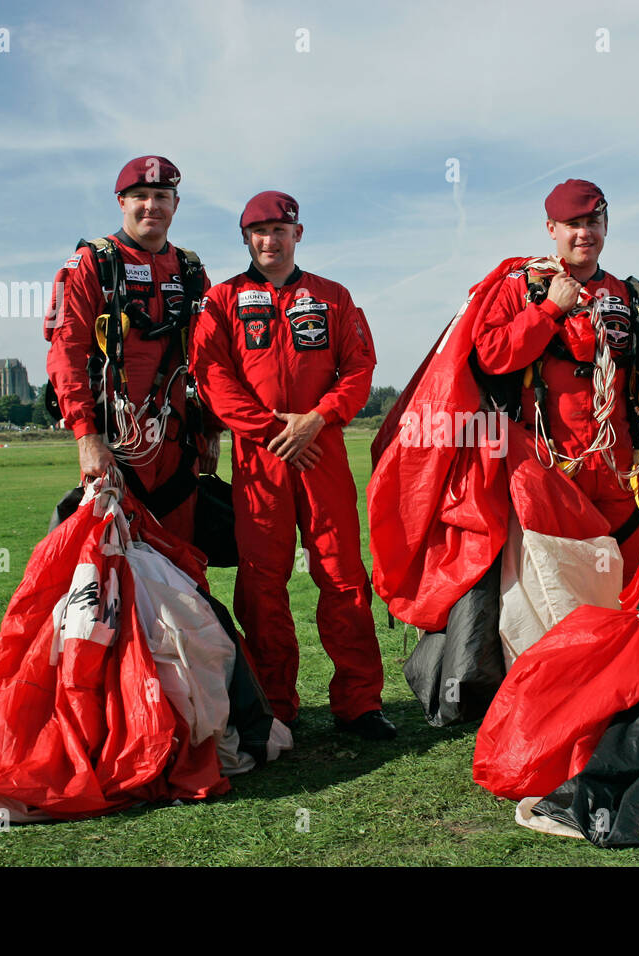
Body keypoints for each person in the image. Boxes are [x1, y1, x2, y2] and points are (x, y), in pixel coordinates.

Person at [190, 191, 394, 740]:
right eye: (258, 232)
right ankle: (275, 703)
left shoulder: (333, 297)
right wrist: (275, 430)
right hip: (261, 462)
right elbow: (211, 376)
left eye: (280, 230)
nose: (269, 240)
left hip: (321, 451)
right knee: (262, 585)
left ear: (297, 234)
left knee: (344, 578)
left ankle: (360, 703)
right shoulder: (221, 300)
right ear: (246, 239)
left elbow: (359, 366)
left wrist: (318, 419)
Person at [472, 179, 639, 583]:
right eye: (572, 223)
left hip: (623, 475)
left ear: (606, 224)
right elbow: (492, 355)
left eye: (593, 221)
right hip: (551, 470)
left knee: (629, 590)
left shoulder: (631, 297)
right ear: (551, 228)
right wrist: (549, 309)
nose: (584, 232)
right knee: (559, 594)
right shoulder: (522, 289)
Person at [44, 155, 216, 541]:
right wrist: (86, 437)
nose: (150, 205)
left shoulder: (191, 270)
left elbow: (209, 359)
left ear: (175, 204)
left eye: (161, 195)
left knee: (183, 565)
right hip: (114, 445)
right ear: (121, 201)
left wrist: (211, 430)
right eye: (140, 195)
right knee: (112, 565)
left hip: (177, 448)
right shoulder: (93, 263)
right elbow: (65, 353)